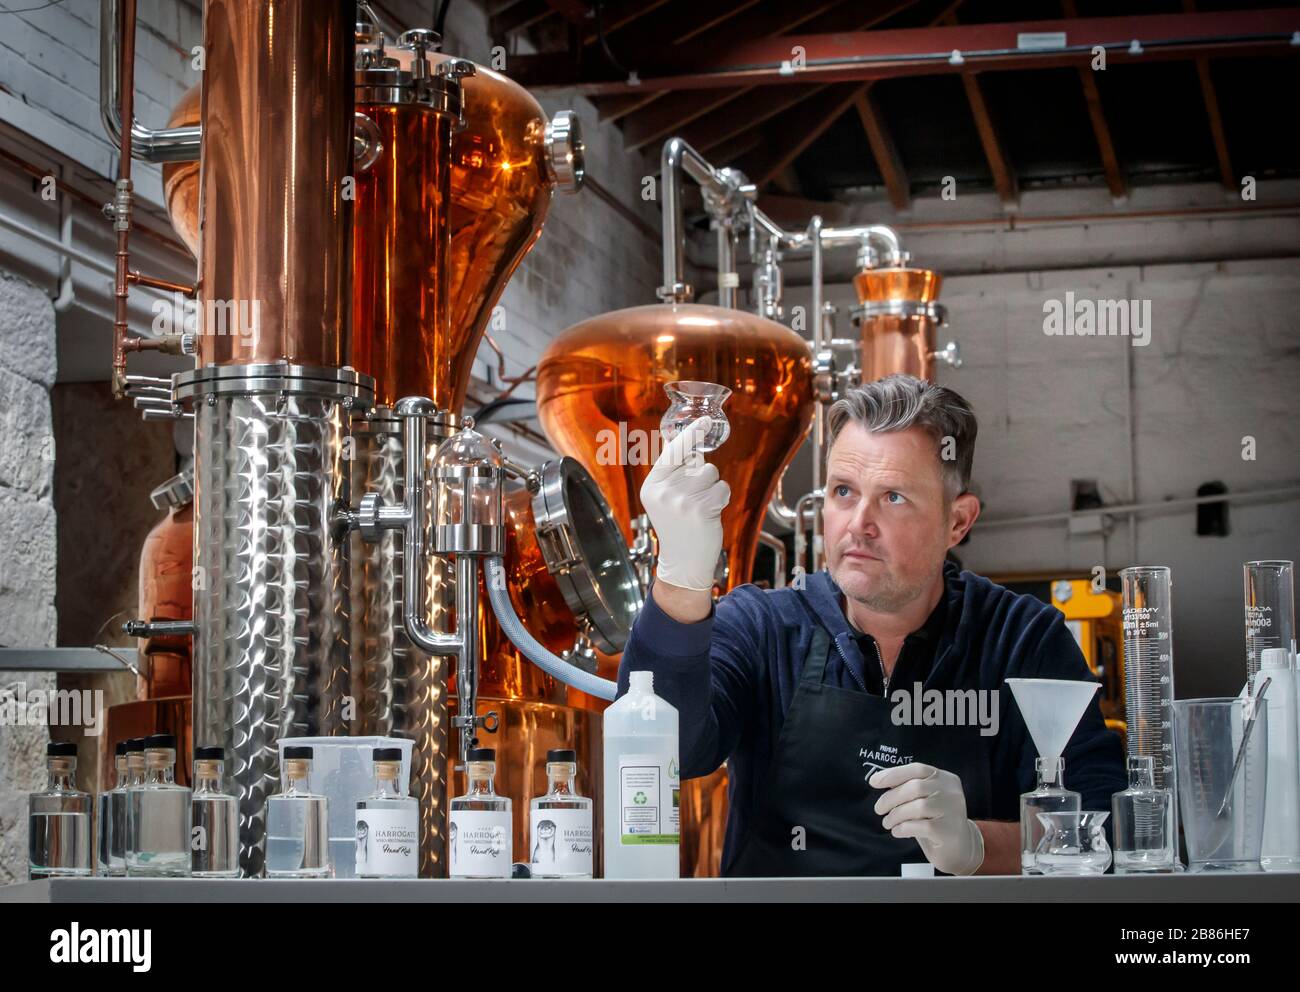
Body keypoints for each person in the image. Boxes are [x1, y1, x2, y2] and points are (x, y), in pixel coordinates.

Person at [618, 373, 1126, 876]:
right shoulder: (763, 629)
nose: (859, 522)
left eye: (894, 497)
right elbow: (666, 750)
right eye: (843, 491)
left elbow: (1102, 831)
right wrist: (680, 580)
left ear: (958, 521)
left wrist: (974, 844)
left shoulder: (1022, 640)